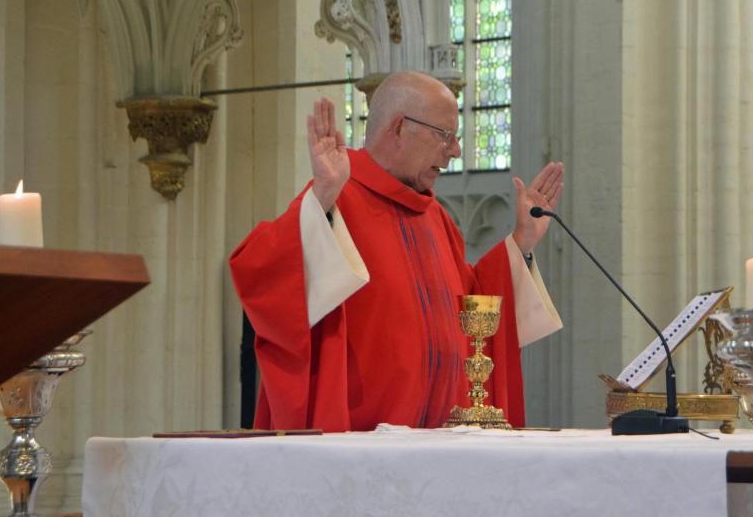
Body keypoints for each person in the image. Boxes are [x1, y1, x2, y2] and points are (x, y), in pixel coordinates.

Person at [230, 71, 564, 432]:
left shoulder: (436, 218)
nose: (455, 151)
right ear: (400, 127)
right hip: (358, 444)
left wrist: (521, 243)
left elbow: (473, 307)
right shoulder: (337, 201)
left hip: (441, 441)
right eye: (445, 135)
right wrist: (322, 197)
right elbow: (260, 273)